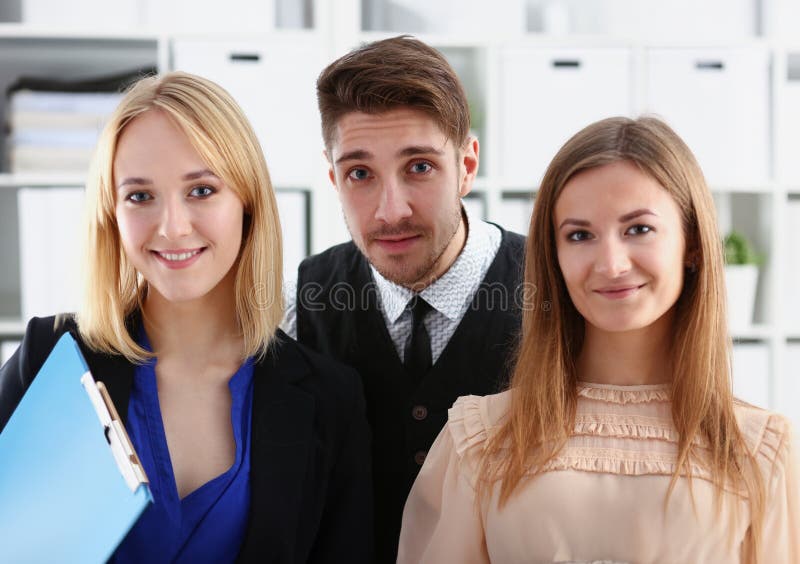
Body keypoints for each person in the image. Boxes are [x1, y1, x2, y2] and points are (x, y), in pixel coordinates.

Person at [0, 71, 372, 563]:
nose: (172, 227)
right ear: (111, 212)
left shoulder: (329, 398)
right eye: (139, 196)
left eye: (200, 191)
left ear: (247, 201)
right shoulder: (53, 355)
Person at [397, 116, 800, 563]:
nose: (611, 264)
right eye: (580, 235)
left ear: (692, 245)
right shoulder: (479, 439)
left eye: (638, 229)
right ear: (555, 257)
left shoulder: (762, 451)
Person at [281, 35, 526, 562]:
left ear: (467, 165)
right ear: (334, 178)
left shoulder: (554, 290)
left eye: (419, 167)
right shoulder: (297, 303)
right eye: (360, 174)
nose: (391, 211)